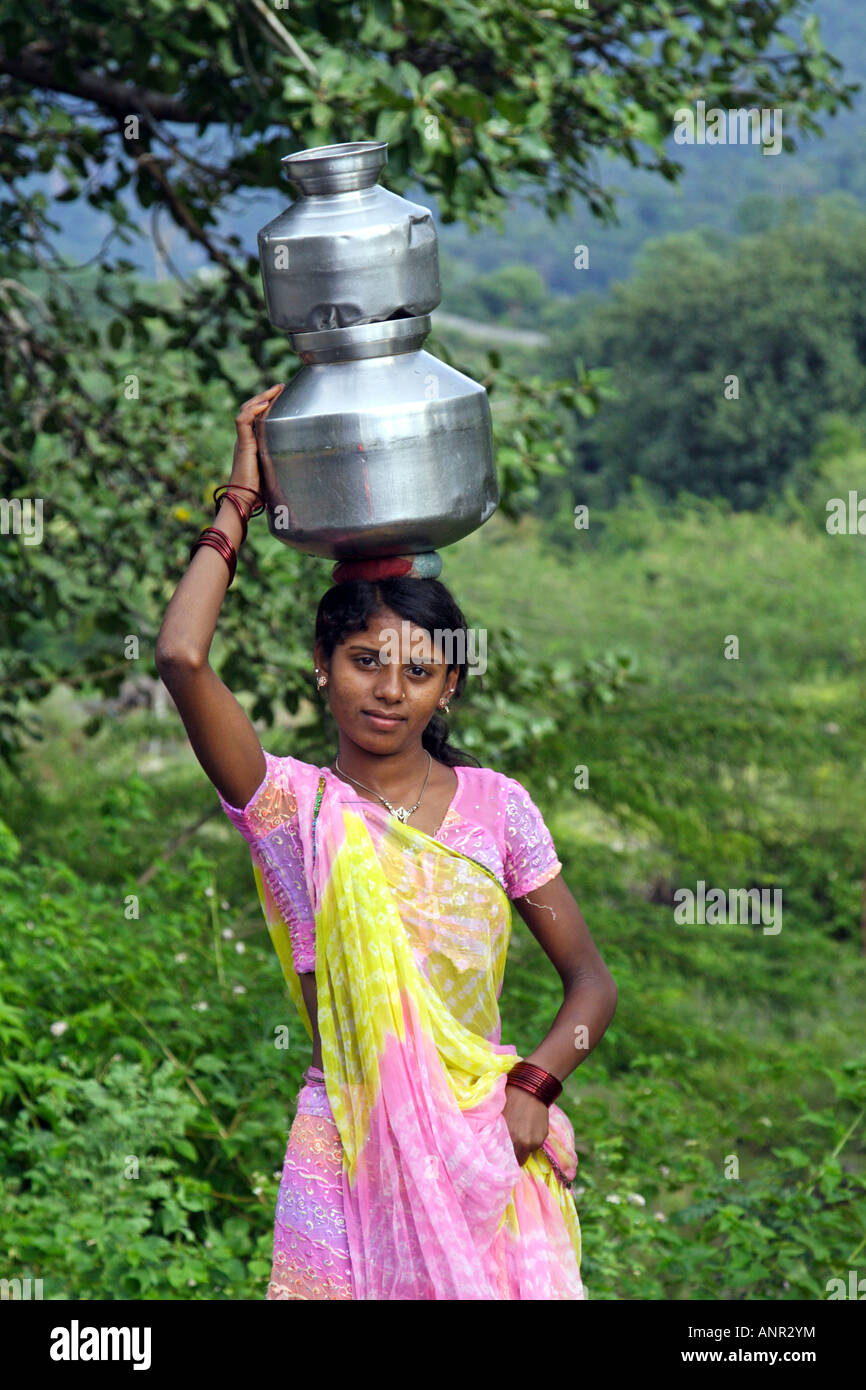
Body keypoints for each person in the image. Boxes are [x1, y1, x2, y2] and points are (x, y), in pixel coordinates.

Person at [155, 385, 618, 1300]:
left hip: (487, 1146)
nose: (389, 689)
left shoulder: (500, 808)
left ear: (449, 686)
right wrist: (239, 500)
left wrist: (536, 1082)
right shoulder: (295, 810)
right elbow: (180, 657)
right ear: (322, 669)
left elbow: (592, 987)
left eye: (419, 670)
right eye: (365, 661)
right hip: (346, 1146)